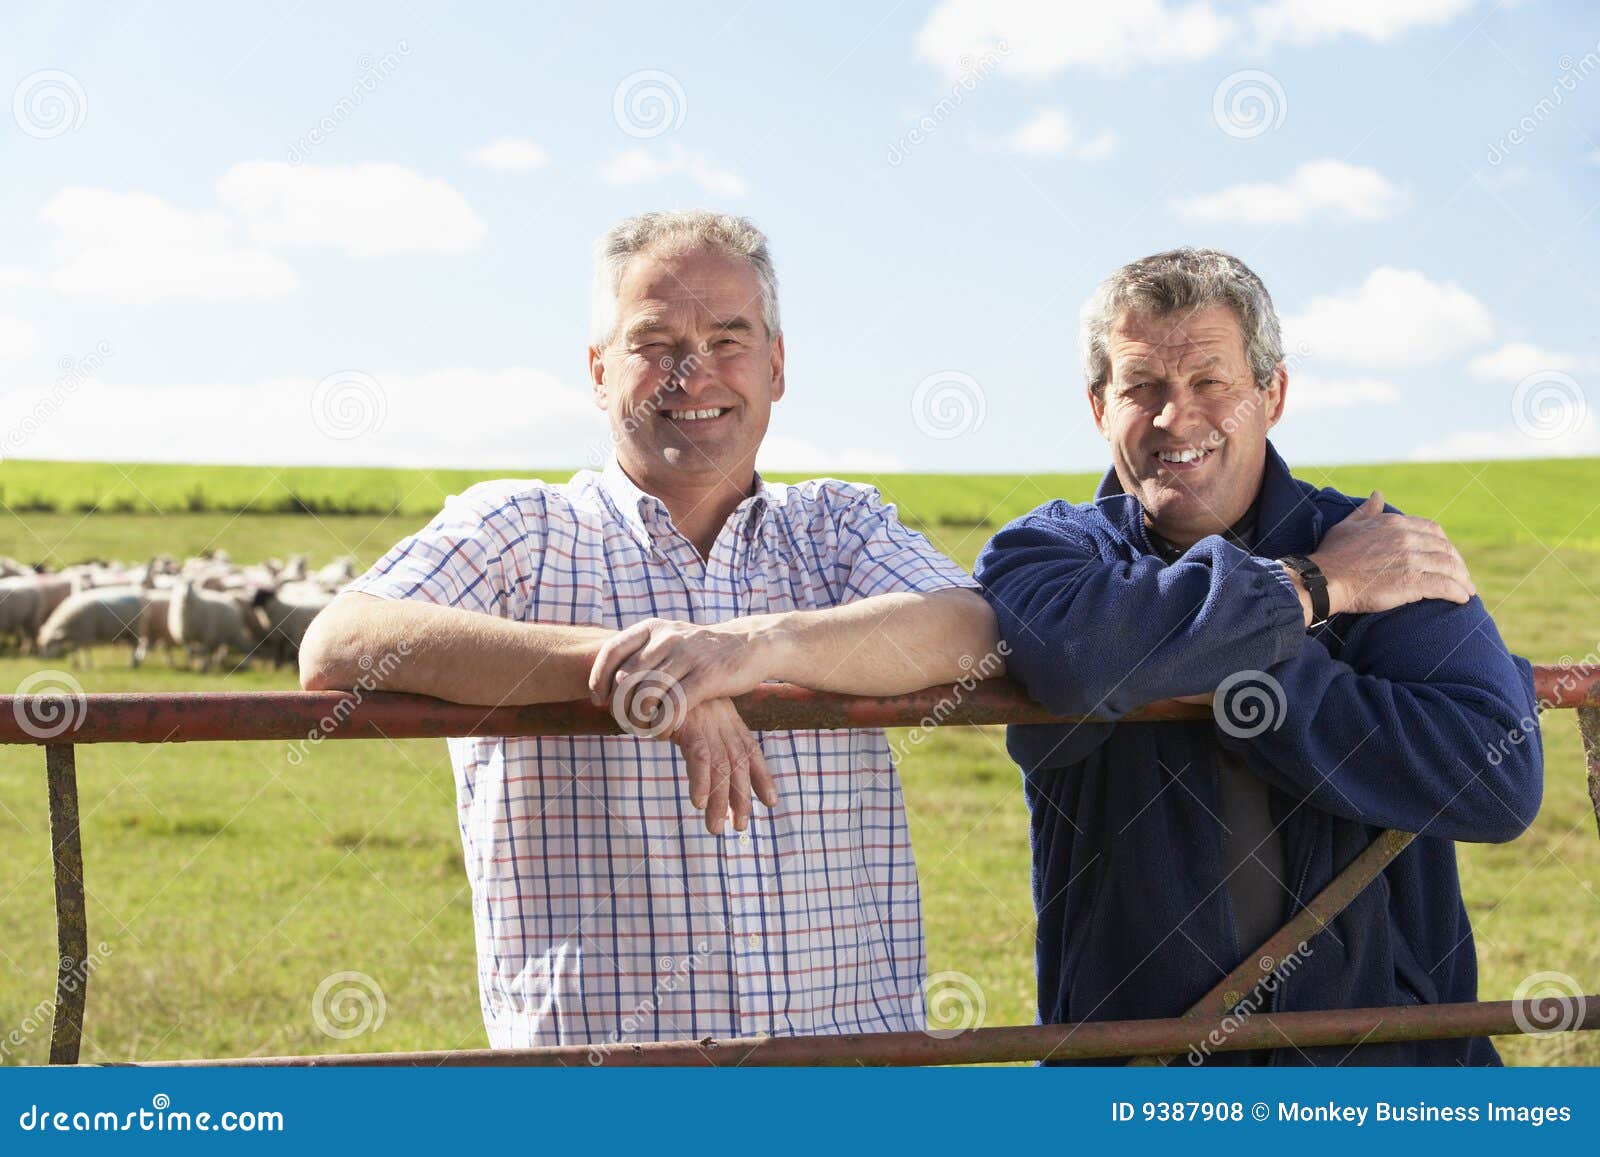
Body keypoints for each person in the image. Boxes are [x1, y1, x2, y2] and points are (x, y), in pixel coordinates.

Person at [299, 209, 1001, 1050]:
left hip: (845, 1074)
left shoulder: (836, 527)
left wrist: (748, 651)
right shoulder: (523, 530)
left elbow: (969, 628)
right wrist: (634, 670)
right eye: (656, 343)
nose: (694, 373)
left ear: (777, 367)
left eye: (729, 339)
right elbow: (340, 640)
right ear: (599, 372)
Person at [975, 247, 1542, 1065]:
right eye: (1143, 387)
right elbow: (1080, 660)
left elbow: (1499, 776)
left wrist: (1223, 667)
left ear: (1271, 394)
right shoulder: (1043, 555)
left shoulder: (1380, 546)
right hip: (1141, 1075)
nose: (1178, 417)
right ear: (1100, 406)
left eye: (1211, 382)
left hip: (1384, 1072)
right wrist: (1312, 589)